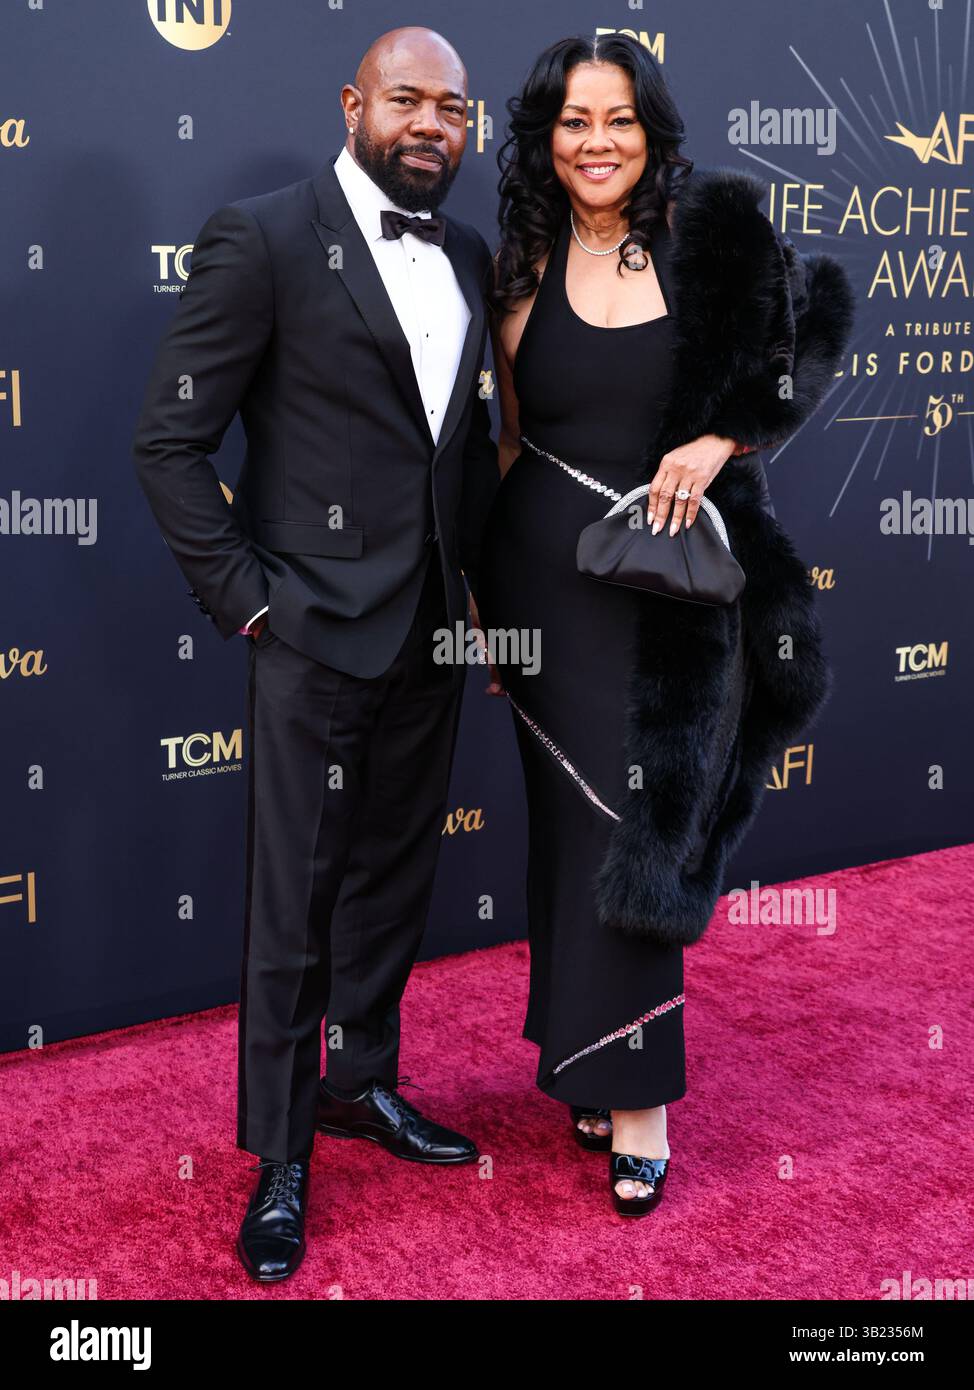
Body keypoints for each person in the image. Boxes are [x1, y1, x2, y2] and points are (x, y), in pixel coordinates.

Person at [132, 27, 498, 1280]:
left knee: (391, 882)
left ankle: (363, 1083)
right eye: (406, 100)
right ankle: (282, 1150)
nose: (430, 126)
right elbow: (169, 444)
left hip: (433, 634)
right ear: (352, 104)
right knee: (292, 904)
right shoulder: (266, 238)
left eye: (452, 109)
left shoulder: (469, 254)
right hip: (309, 635)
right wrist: (248, 602)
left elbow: (459, 460)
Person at [478, 33, 854, 1215]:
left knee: (642, 818)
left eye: (618, 119)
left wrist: (722, 436)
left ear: (653, 131)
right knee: (566, 825)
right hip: (542, 576)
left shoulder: (715, 231)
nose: (596, 143)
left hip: (674, 587)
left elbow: (814, 336)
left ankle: (637, 1094)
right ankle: (587, 1056)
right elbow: (502, 444)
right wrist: (489, 608)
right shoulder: (520, 263)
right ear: (546, 136)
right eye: (573, 121)